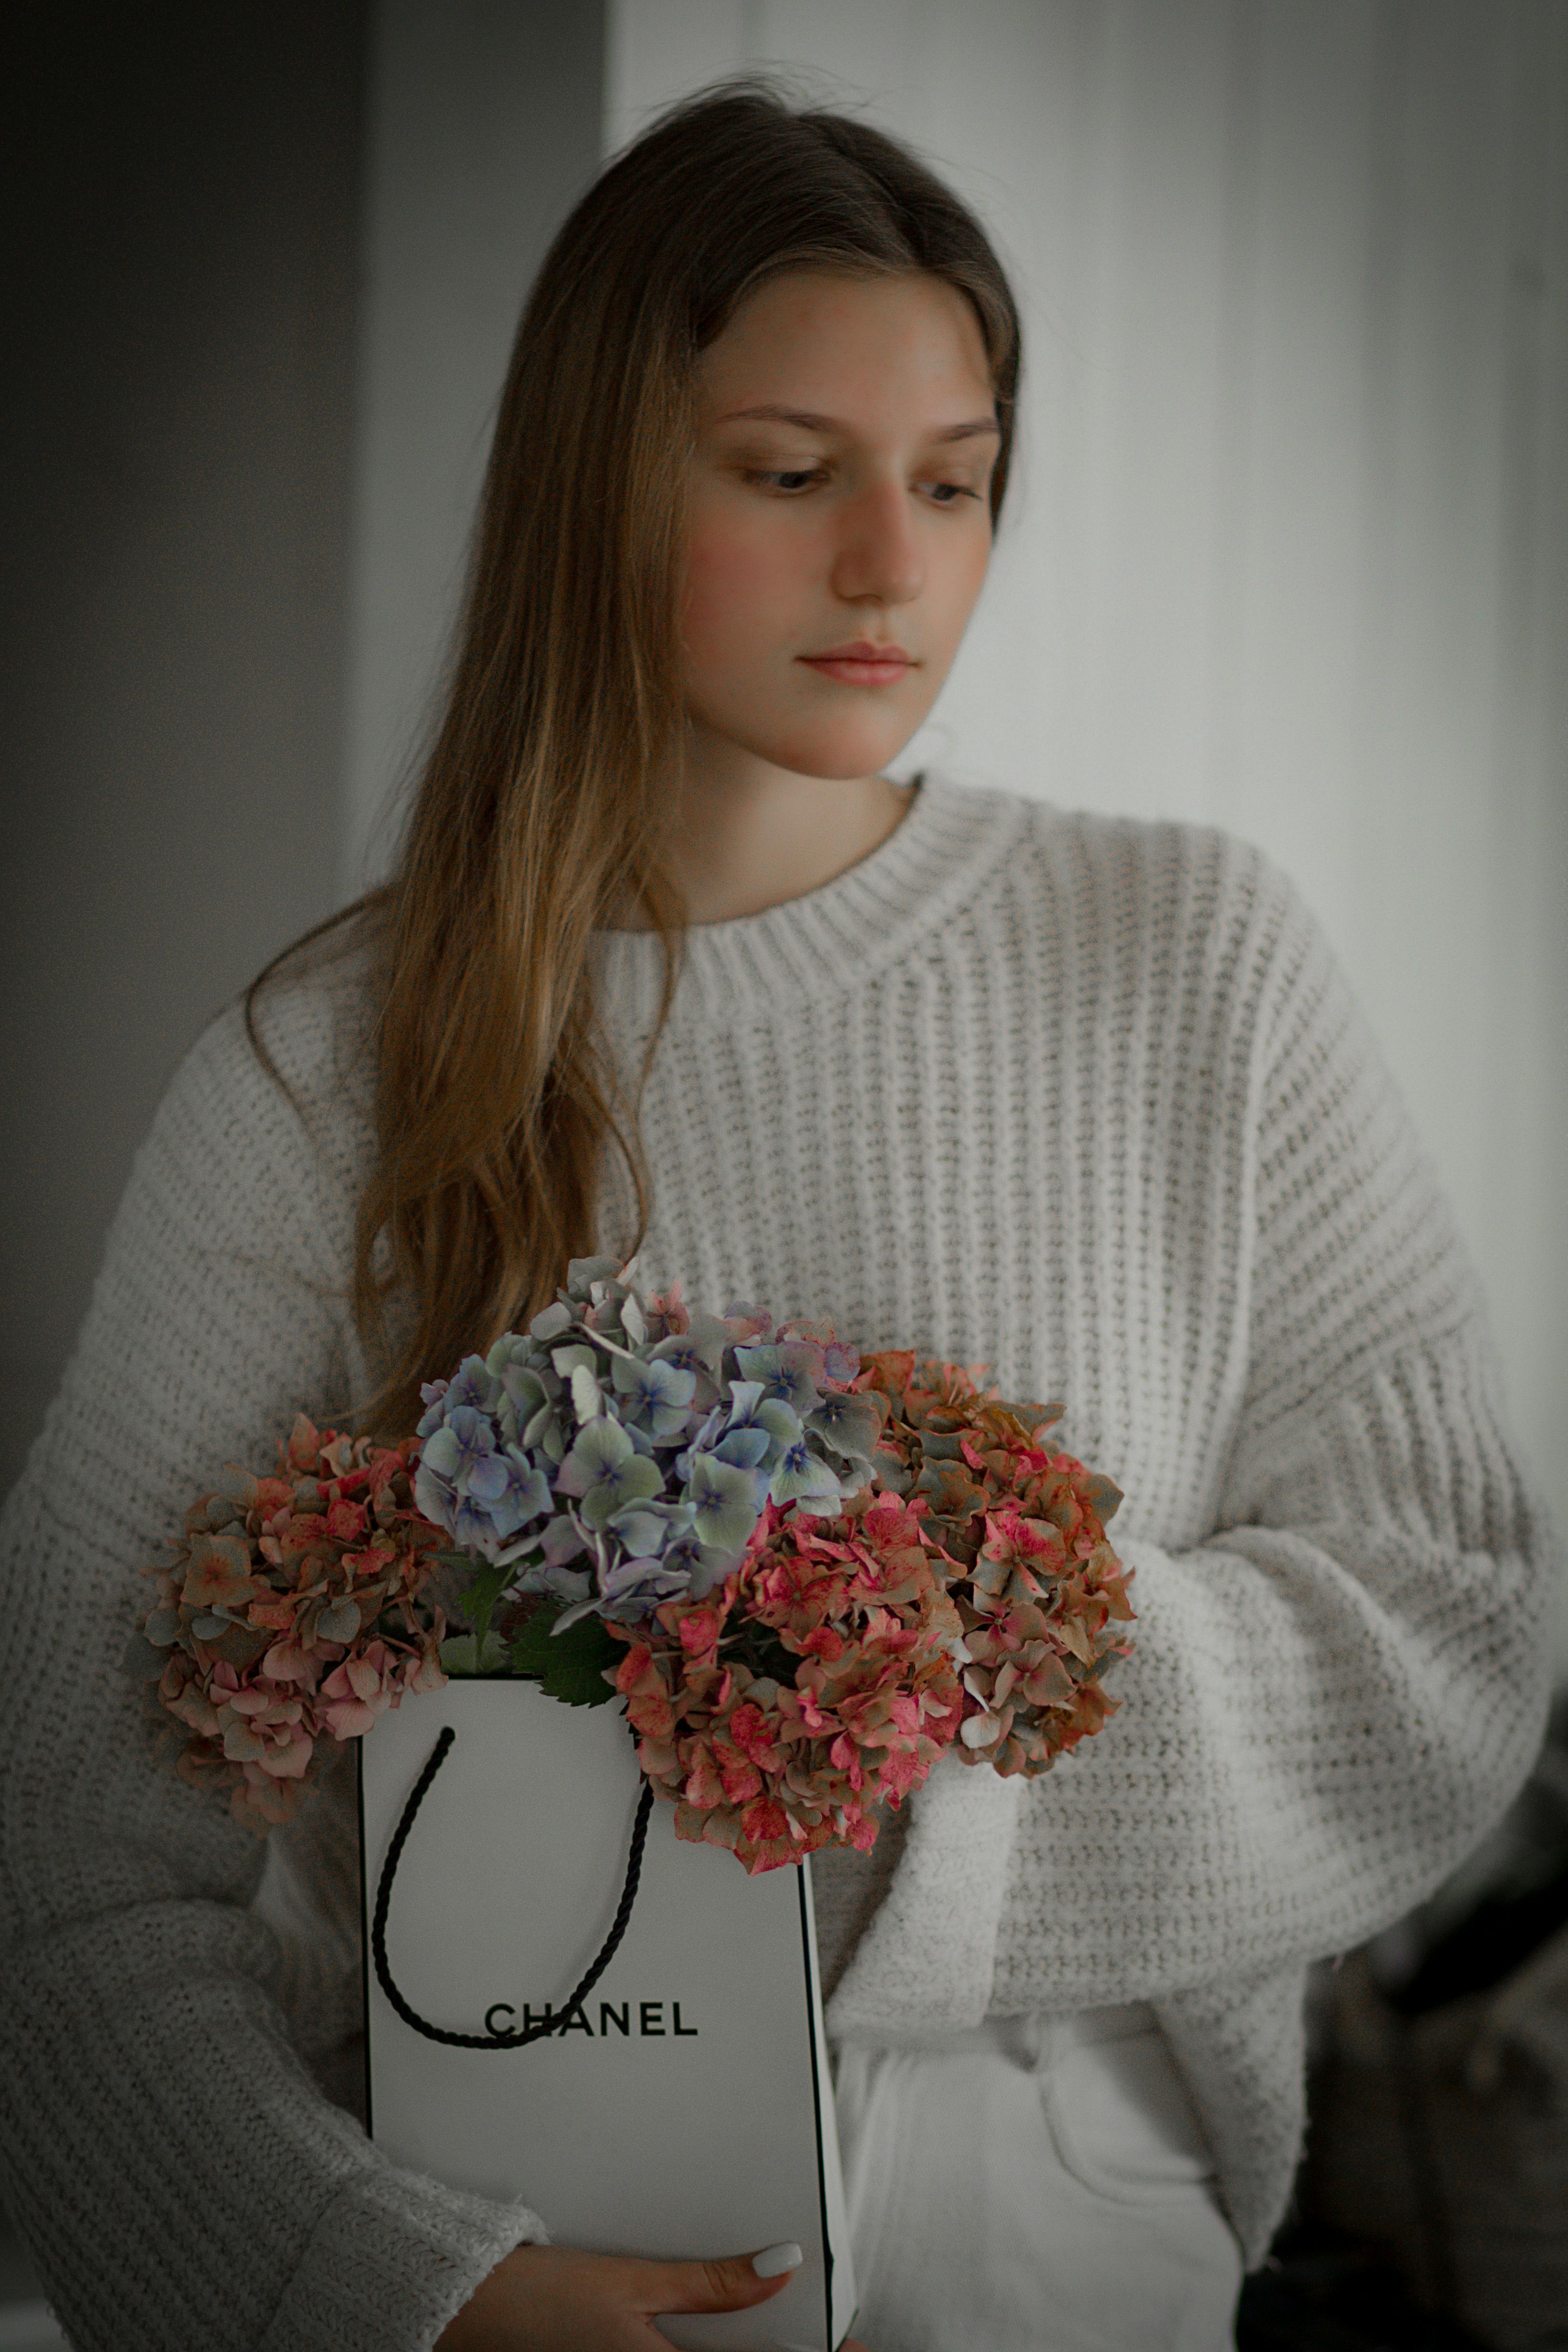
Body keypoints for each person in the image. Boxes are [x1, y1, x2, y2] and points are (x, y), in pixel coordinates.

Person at [0, 77, 1553, 2352]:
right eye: (792, 473)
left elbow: (1448, 1631)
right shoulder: (328, 1067)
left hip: (1065, 2186)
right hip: (505, 2185)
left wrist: (888, 1715)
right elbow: (63, 1857)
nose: (891, 569)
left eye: (955, 483)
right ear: (597, 489)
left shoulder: (1192, 960)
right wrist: (383, 2291)